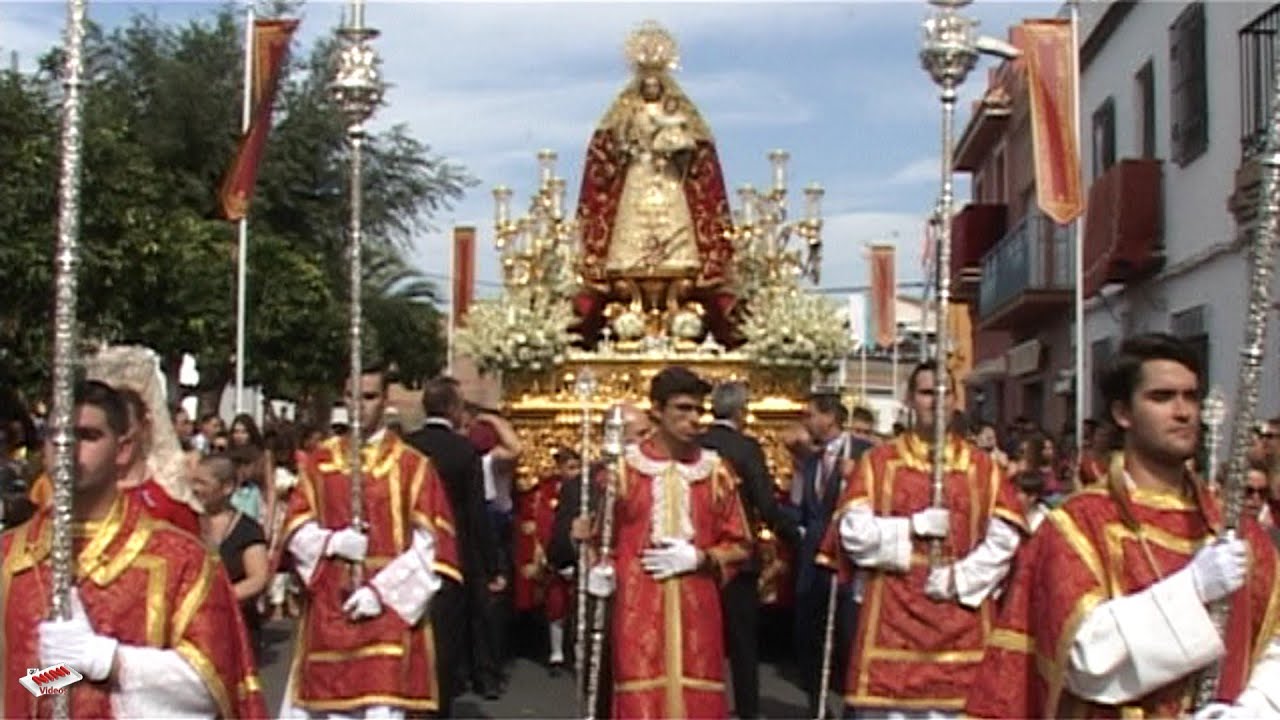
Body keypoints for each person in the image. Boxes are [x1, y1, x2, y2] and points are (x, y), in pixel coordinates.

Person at [965, 333, 1280, 718]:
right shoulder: (1080, 524)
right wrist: (1192, 589)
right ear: (1122, 414)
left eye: (1190, 396)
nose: (1183, 412)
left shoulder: (1236, 530)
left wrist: (1253, 709)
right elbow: (1083, 659)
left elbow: (1275, 642)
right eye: (1161, 397)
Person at [1, 380, 266, 717]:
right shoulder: (10, 557)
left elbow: (211, 684)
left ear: (123, 449)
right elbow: (20, 689)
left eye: (87, 435)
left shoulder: (179, 558)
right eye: (56, 435)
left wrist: (107, 659)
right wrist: (62, 672)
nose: (67, 447)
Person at [819, 360, 1026, 717]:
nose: (937, 402)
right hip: (891, 624)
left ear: (956, 401)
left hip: (963, 623)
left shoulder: (982, 467)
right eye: (928, 393)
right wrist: (910, 528)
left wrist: (959, 578)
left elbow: (1005, 539)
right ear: (910, 399)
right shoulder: (879, 462)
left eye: (945, 393)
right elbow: (853, 534)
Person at [280, 364, 459, 718]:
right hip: (331, 613)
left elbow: (431, 547)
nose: (359, 405)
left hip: (387, 616)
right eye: (351, 396)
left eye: (369, 396)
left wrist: (382, 592)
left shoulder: (412, 466)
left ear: (386, 399)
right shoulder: (320, 463)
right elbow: (295, 529)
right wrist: (332, 543)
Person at [584, 366, 749, 718]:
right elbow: (603, 537)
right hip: (638, 611)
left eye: (698, 410)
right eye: (683, 409)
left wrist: (702, 558)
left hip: (698, 611)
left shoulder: (716, 471)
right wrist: (600, 566)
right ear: (657, 410)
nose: (694, 420)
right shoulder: (624, 471)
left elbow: (741, 543)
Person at [699, 380, 801, 720]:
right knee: (743, 642)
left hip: (700, 554)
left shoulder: (696, 444)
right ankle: (747, 709)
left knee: (699, 636)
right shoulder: (746, 448)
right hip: (738, 555)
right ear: (741, 411)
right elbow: (764, 502)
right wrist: (794, 534)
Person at [404, 377, 504, 708]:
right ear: (452, 408)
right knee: (446, 641)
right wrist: (492, 565)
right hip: (451, 555)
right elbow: (477, 513)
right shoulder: (463, 451)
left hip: (406, 554)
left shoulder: (406, 446)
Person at [795, 392, 872, 717]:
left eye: (810, 414)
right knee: (809, 641)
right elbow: (805, 509)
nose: (806, 421)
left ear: (829, 417)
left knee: (849, 642)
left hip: (847, 562)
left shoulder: (864, 453)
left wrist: (853, 477)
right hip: (813, 563)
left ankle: (854, 712)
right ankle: (818, 708)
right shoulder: (812, 459)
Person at [191, 455, 269, 648]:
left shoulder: (248, 530)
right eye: (192, 482)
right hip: (193, 627)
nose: (195, 489)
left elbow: (258, 579)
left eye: (202, 483)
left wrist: (218, 598)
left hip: (236, 627)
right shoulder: (186, 522)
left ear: (226, 488)